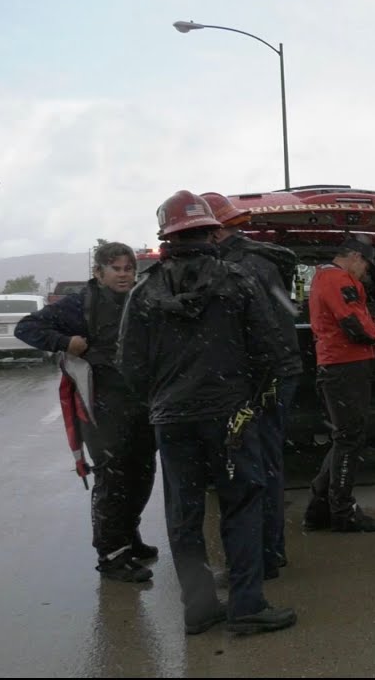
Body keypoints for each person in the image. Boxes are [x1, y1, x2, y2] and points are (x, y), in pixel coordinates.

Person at [118, 190, 296, 636]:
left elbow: (130, 366)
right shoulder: (239, 281)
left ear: (167, 238)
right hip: (231, 419)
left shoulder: (143, 293)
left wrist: (162, 399)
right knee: (242, 505)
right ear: (210, 231)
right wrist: (245, 399)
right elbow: (272, 349)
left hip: (172, 421)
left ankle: (199, 608)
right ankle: (247, 605)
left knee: (184, 514)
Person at [15, 242, 157, 583]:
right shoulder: (79, 305)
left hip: (142, 402)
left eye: (128, 269)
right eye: (116, 269)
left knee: (142, 473)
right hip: (102, 406)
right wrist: (67, 343)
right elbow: (26, 328)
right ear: (98, 272)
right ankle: (110, 555)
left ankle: (128, 537)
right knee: (113, 478)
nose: (124, 275)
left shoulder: (142, 300)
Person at [204, 191, 303, 576]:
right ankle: (269, 552)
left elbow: (256, 332)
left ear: (213, 232)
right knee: (267, 463)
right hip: (278, 373)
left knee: (254, 466)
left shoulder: (241, 267)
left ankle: (263, 557)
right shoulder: (261, 261)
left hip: (261, 379)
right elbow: (282, 321)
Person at [301, 234, 375, 533]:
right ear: (355, 257)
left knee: (344, 438)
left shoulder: (323, 278)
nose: (365, 272)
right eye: (366, 266)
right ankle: (343, 512)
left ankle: (319, 509)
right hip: (345, 367)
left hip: (336, 366)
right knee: (349, 440)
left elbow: (353, 318)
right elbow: (355, 327)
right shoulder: (338, 280)